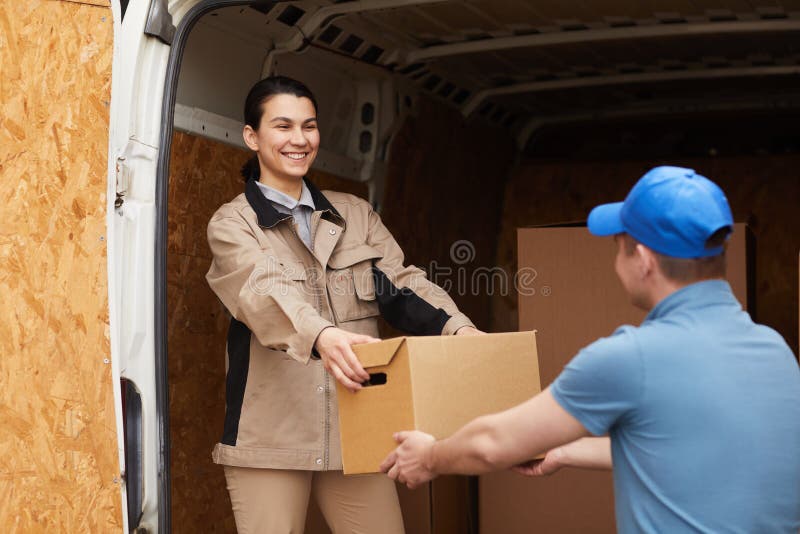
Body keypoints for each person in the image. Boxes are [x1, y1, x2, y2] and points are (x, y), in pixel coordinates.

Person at [380, 166, 800, 533]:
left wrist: (431, 456)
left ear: (644, 259)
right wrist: (564, 450)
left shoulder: (632, 357)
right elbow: (678, 445)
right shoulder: (774, 350)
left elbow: (494, 442)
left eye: (618, 244)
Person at [204, 75, 481, 534]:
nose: (299, 139)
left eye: (309, 127)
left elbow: (401, 285)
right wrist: (324, 336)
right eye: (283, 126)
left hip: (356, 428)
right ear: (252, 136)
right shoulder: (234, 224)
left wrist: (458, 331)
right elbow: (263, 290)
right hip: (272, 436)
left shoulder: (354, 214)